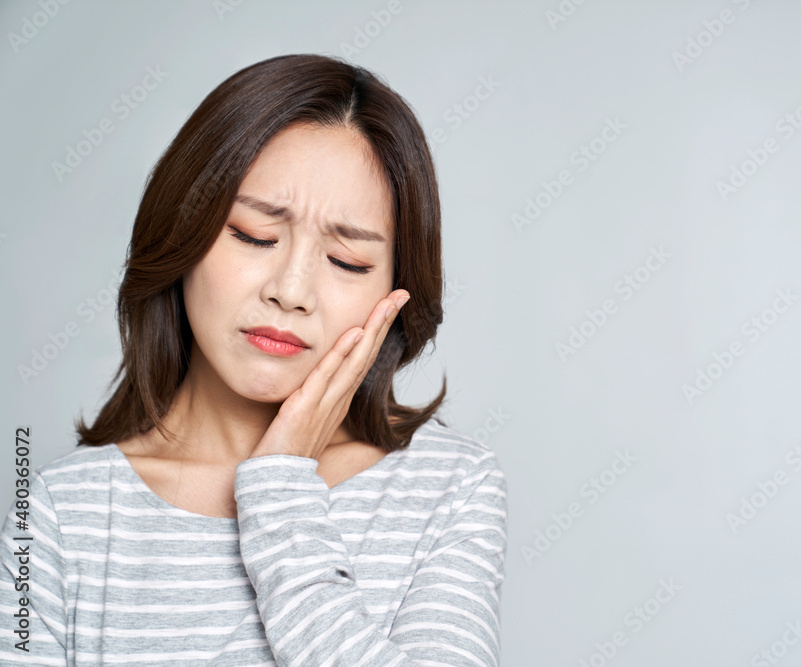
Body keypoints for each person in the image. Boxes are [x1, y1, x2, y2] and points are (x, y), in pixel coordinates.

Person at [0, 54, 507, 666]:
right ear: (183, 231)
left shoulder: (450, 486)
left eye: (346, 261)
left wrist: (280, 492)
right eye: (252, 235)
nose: (290, 292)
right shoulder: (58, 514)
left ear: (396, 290)